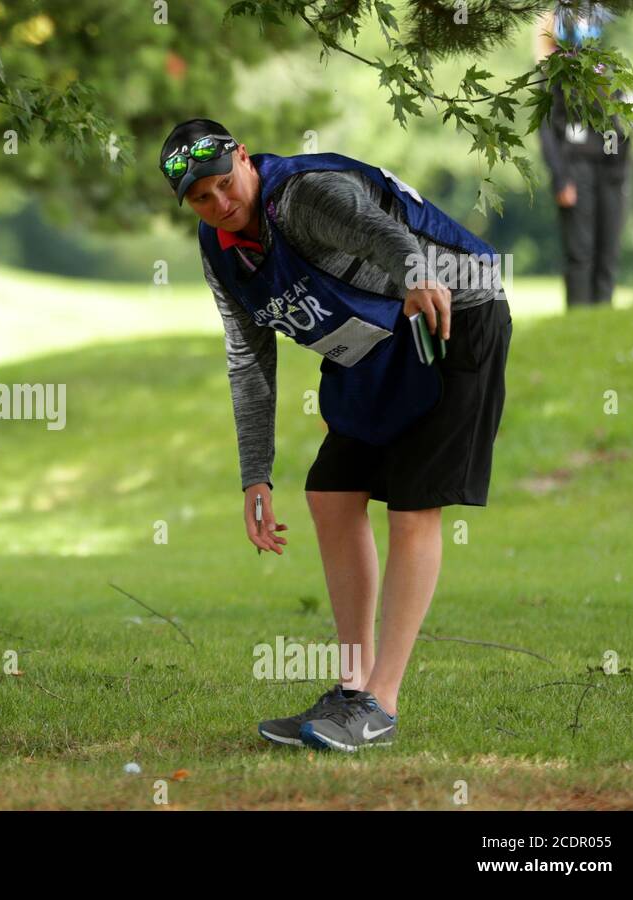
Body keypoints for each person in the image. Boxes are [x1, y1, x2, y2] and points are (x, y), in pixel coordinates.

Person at [159, 119, 512, 751]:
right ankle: (351, 691)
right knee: (331, 493)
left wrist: (413, 273)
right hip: (379, 337)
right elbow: (249, 360)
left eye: (223, 184)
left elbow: (382, 235)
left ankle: (380, 703)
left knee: (413, 505)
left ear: (244, 157)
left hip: (455, 312)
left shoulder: (306, 194)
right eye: (201, 199)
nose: (220, 204)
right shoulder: (219, 247)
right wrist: (255, 475)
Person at [535, 4, 631, 307]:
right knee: (580, 253)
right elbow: (547, 130)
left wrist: (621, 170)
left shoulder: (608, 68)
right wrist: (561, 177)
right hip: (575, 169)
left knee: (608, 251)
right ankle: (580, 320)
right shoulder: (553, 73)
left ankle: (602, 323)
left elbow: (623, 122)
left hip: (611, 172)